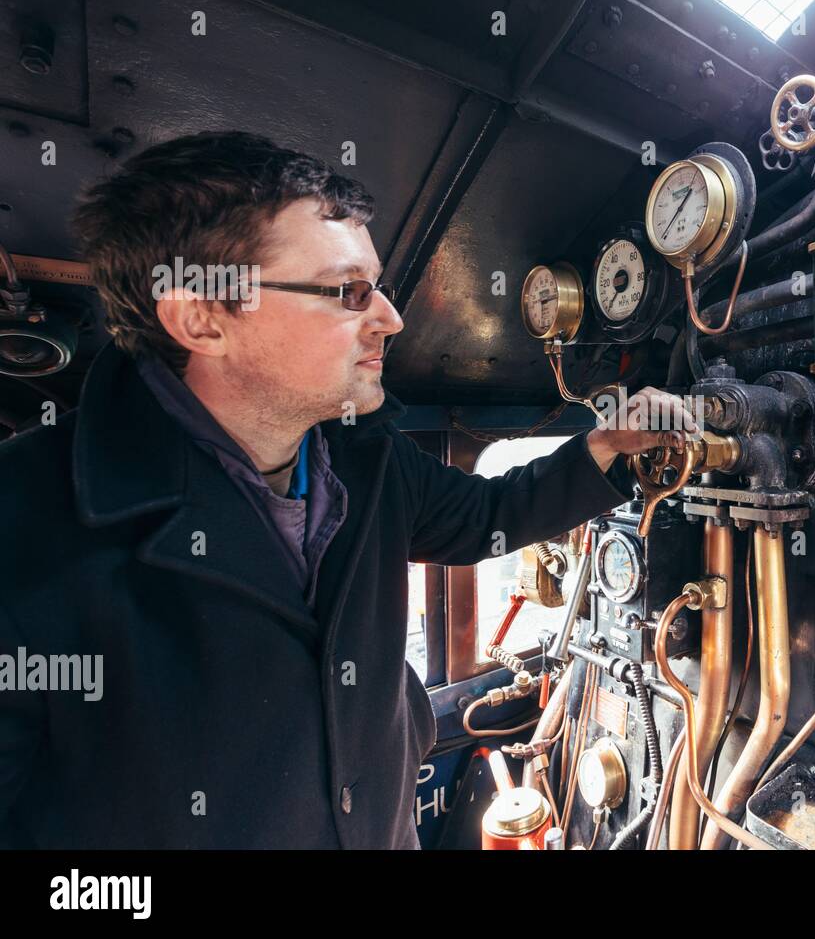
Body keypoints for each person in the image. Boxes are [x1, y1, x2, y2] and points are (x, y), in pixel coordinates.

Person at [0, 131, 694, 848]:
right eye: (346, 292)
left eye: (379, 286)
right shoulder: (24, 524)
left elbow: (490, 513)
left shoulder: (364, 457)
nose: (390, 318)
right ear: (201, 317)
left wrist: (607, 445)